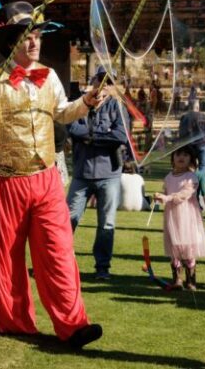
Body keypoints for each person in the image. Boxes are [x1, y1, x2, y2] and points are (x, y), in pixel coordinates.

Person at [0, 0, 105, 348]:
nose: (35, 42)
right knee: (8, 255)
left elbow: (63, 114)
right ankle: (15, 322)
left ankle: (73, 326)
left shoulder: (49, 76)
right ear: (12, 42)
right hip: (7, 179)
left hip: (47, 177)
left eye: (37, 35)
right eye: (27, 37)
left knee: (58, 252)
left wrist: (85, 103)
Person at [67, 66, 129, 280]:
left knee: (107, 224)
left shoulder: (118, 107)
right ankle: (60, 263)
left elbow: (120, 136)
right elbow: (73, 129)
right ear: (92, 81)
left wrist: (90, 137)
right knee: (68, 220)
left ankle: (102, 267)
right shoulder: (81, 103)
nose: (103, 86)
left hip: (109, 173)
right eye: (99, 80)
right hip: (82, 172)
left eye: (108, 82)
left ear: (113, 87)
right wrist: (103, 134)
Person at [153, 145, 205, 290]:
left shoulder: (191, 177)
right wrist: (160, 197)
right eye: (178, 154)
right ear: (172, 158)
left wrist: (167, 197)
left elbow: (185, 194)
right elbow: (167, 193)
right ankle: (177, 279)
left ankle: (191, 280)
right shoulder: (168, 177)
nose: (181, 157)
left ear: (191, 159)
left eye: (185, 155)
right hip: (172, 216)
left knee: (187, 246)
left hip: (187, 216)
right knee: (174, 246)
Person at [178, 102, 205, 215]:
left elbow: (181, 132)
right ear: (198, 108)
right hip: (201, 144)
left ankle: (197, 202)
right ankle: (204, 203)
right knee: (202, 170)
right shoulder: (203, 116)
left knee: (193, 172)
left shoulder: (184, 117)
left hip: (189, 145)